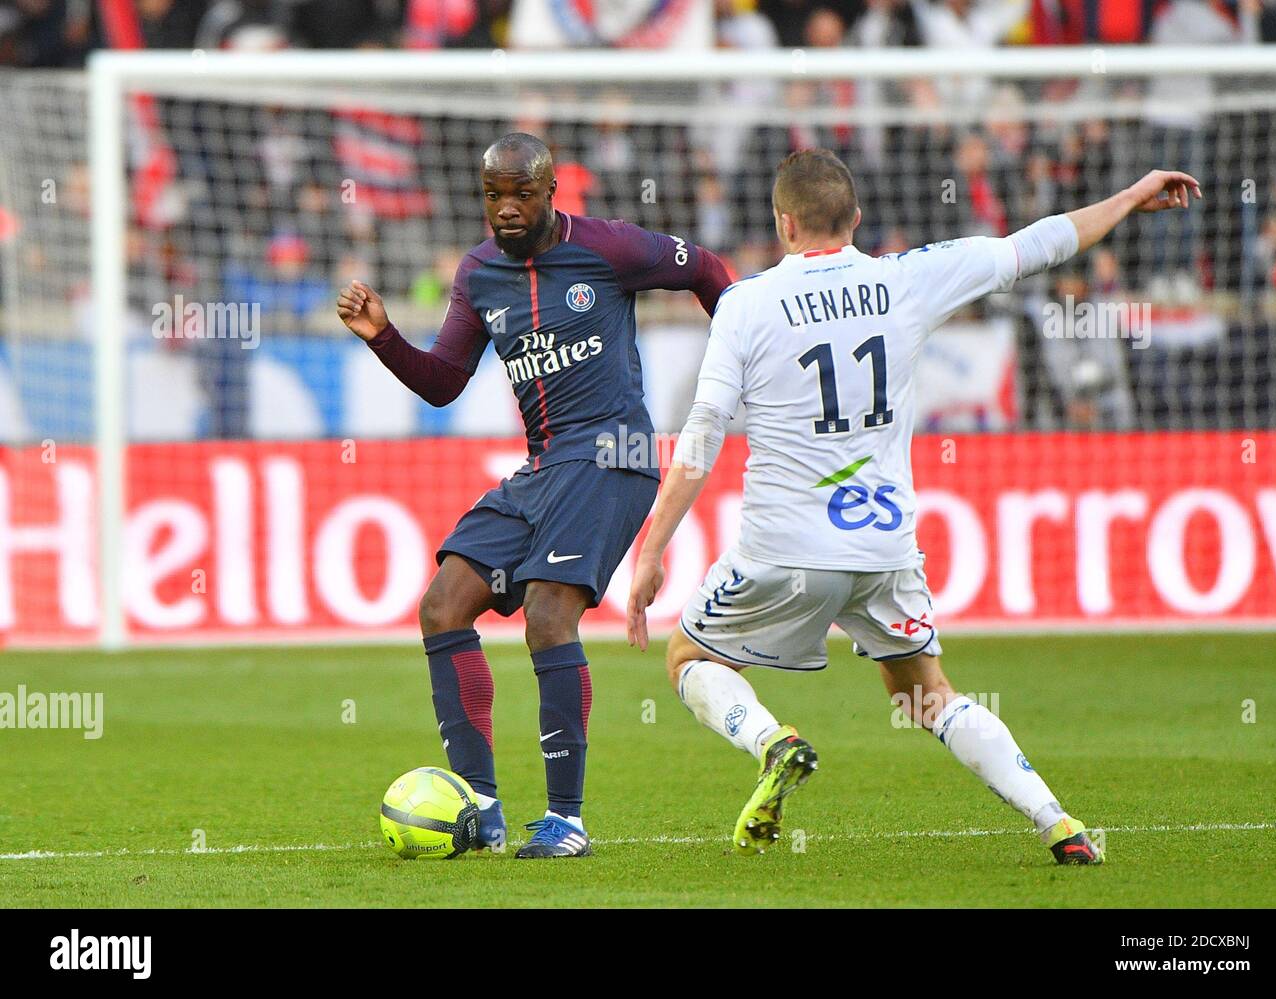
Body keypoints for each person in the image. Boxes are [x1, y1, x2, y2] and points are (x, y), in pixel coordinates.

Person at [626, 148, 1199, 861]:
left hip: (780, 548)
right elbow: (1039, 244)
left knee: (689, 656)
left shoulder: (745, 303)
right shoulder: (907, 277)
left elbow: (702, 435)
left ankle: (773, 740)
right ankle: (1057, 820)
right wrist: (1130, 193)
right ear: (856, 219)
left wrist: (651, 551)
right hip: (883, 549)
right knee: (927, 695)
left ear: (783, 222)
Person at [337, 132, 730, 858]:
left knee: (549, 613)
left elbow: (705, 269)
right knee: (442, 605)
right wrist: (384, 335)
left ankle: (567, 820)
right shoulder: (480, 273)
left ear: (551, 191)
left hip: (616, 454)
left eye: (521, 193)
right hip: (545, 465)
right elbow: (445, 382)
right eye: (494, 196)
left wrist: (742, 357)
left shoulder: (609, 249)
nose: (507, 208)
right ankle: (479, 808)